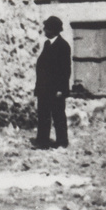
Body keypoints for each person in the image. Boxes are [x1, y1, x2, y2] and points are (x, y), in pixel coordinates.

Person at [33, 15, 71, 149]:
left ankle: (62, 141)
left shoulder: (63, 46)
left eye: (46, 28)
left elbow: (65, 70)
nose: (44, 30)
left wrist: (62, 89)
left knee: (58, 115)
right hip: (44, 88)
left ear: (53, 30)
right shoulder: (47, 44)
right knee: (43, 115)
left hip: (55, 89)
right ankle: (42, 142)